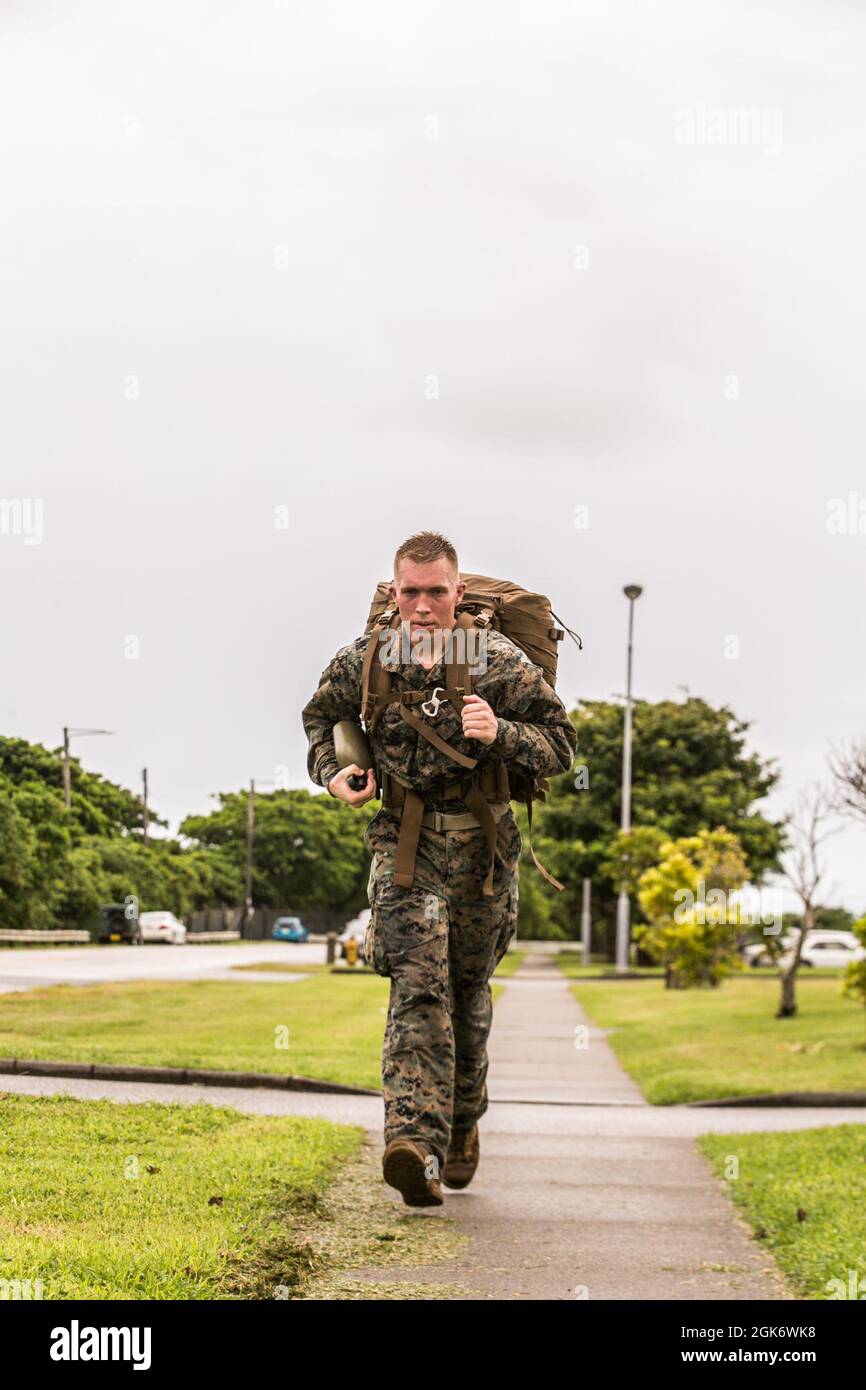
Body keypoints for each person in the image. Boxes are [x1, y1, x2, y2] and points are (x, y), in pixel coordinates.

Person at [301, 531, 577, 1207]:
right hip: (405, 850)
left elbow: (562, 744)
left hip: (484, 856)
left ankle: (460, 1130)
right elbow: (319, 721)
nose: (423, 606)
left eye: (436, 592)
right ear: (394, 594)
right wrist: (335, 774)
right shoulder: (365, 660)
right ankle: (412, 1145)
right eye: (410, 592)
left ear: (457, 594)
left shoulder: (496, 660)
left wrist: (501, 733)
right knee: (416, 989)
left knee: (467, 996)